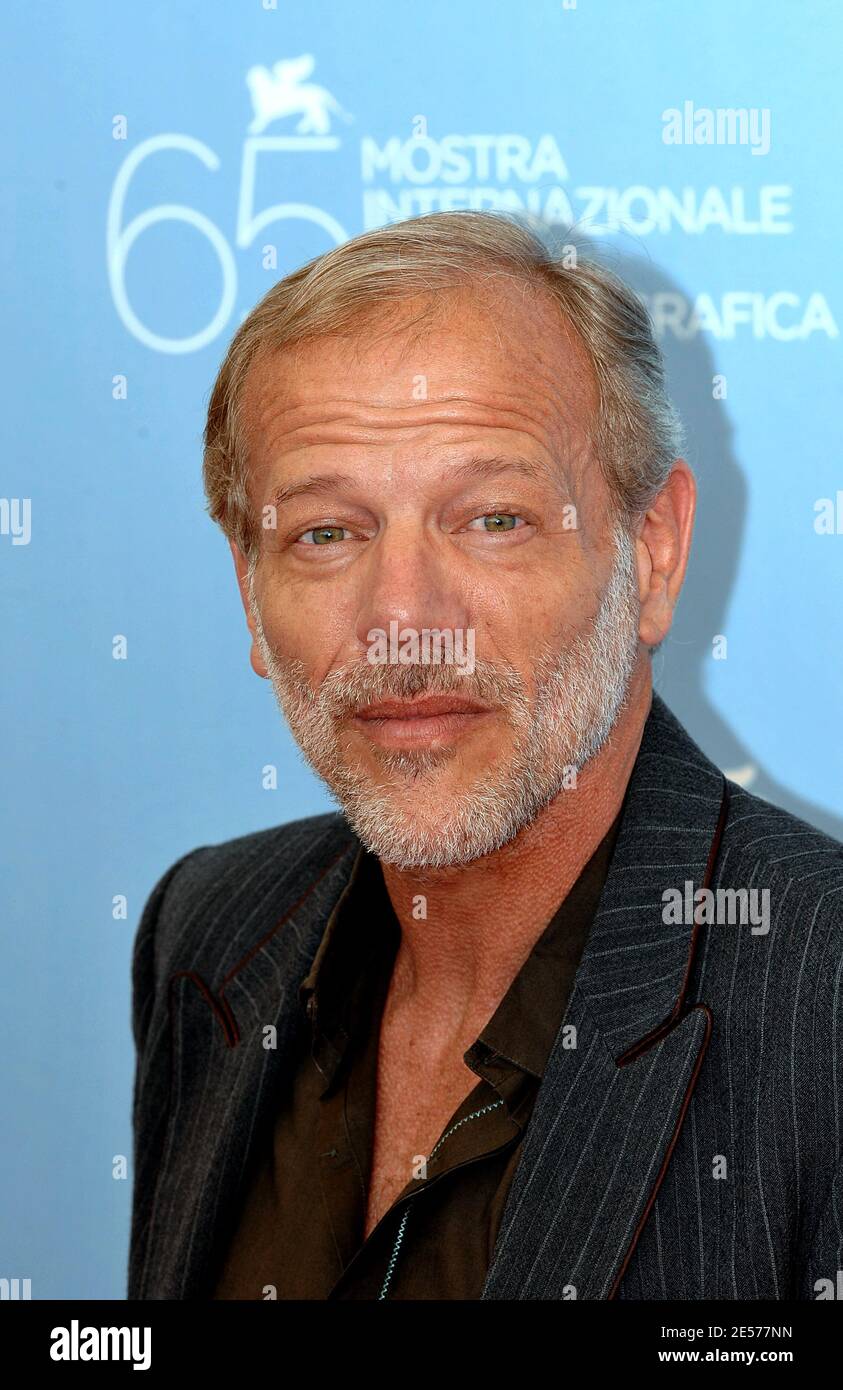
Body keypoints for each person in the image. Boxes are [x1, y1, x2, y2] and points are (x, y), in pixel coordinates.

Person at [128, 210, 843, 1301]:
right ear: (249, 591)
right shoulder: (212, 930)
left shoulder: (822, 999)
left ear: (650, 552)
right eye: (327, 532)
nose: (405, 618)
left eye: (493, 518)